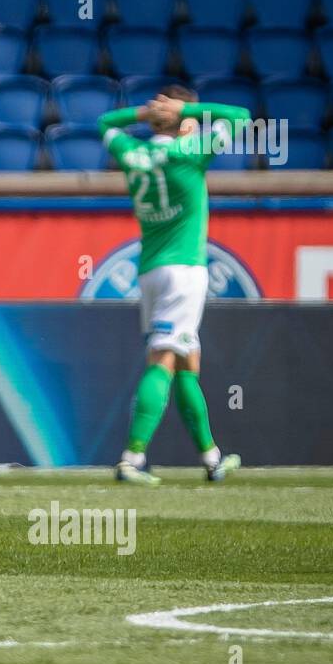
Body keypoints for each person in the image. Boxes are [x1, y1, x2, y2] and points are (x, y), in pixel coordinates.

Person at [97, 87, 246, 485]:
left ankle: (212, 458)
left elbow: (104, 123)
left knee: (186, 364)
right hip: (185, 270)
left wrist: (143, 114)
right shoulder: (190, 152)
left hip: (149, 269)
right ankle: (132, 458)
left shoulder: (133, 152)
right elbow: (240, 116)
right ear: (183, 119)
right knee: (163, 358)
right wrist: (189, 109)